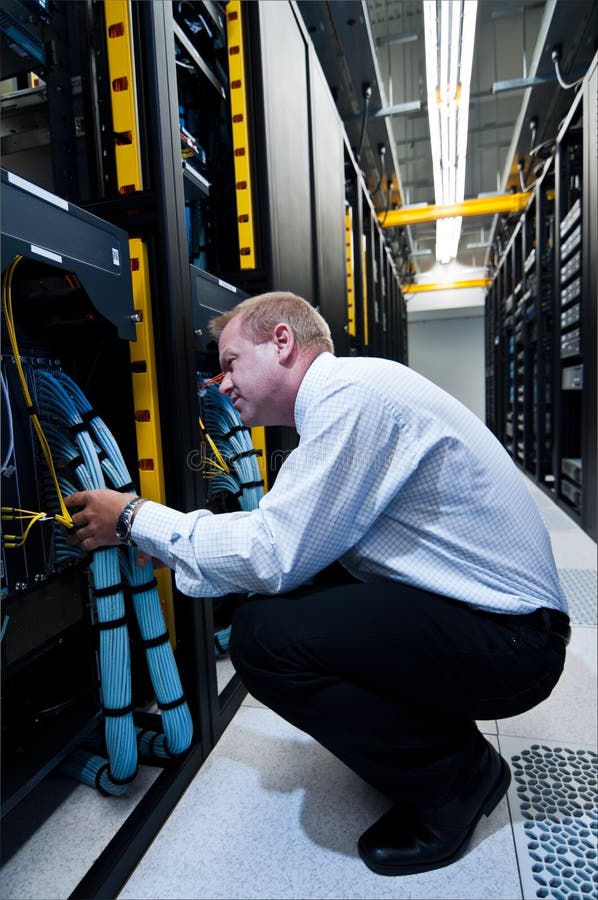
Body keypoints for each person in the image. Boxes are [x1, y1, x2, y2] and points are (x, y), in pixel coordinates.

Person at [65, 290, 570, 877]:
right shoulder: (353, 390)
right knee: (299, 589)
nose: (219, 385)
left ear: (282, 342)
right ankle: (446, 748)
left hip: (514, 646)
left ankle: (453, 782)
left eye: (229, 363)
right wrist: (176, 548)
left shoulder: (348, 401)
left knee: (263, 637)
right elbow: (289, 543)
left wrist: (133, 519)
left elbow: (270, 553)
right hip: (496, 624)